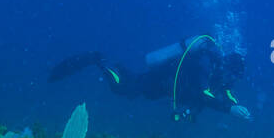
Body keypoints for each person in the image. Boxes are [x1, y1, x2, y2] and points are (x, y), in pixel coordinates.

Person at [49, 35, 252, 122]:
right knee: (124, 90)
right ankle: (97, 60)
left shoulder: (220, 76)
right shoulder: (204, 66)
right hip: (157, 82)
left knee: (132, 82)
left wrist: (236, 104)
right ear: (226, 66)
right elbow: (203, 94)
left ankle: (114, 65)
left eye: (235, 78)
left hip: (161, 87)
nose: (231, 80)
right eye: (232, 74)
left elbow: (225, 92)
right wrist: (229, 109)